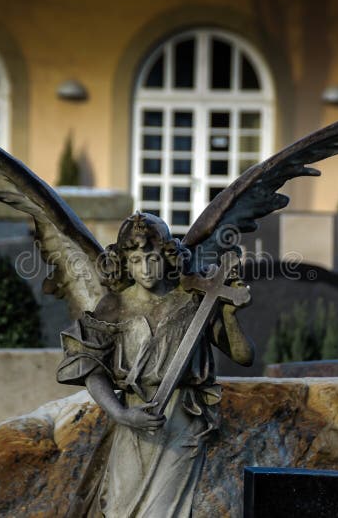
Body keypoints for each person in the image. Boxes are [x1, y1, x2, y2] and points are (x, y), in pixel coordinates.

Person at [57, 212, 254, 517]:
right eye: (135, 260)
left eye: (152, 258)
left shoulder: (194, 300)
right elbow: (90, 366)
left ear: (167, 256)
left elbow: (243, 356)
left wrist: (228, 313)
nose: (145, 269)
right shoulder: (115, 305)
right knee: (120, 509)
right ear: (124, 262)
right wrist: (120, 412)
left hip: (181, 422)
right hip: (134, 419)